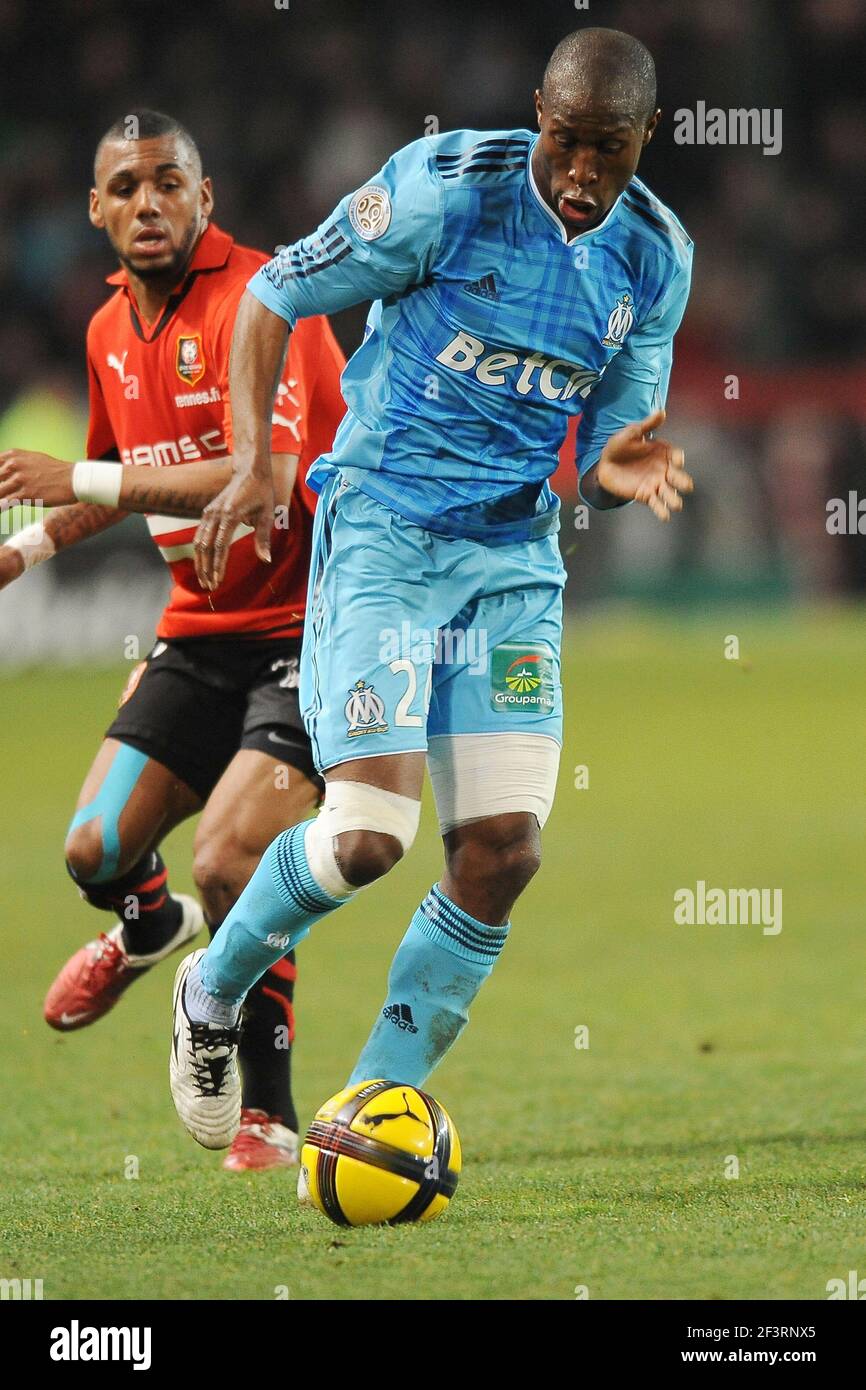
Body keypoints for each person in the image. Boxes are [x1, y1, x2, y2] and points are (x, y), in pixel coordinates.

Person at [167, 26, 695, 1164]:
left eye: (610, 148)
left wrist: (611, 471)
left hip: (509, 560)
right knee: (367, 834)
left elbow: (609, 437)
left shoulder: (654, 256)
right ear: (536, 115)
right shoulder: (444, 191)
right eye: (566, 140)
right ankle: (210, 992)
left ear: (645, 137)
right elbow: (271, 293)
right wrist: (257, 459)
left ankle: (368, 1108)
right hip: (385, 537)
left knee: (502, 851)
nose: (583, 170)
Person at [0, 109, 345, 1171]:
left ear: (205, 198)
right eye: (125, 188)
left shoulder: (267, 295)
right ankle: (150, 931)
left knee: (233, 856)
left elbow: (266, 475)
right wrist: (24, 551)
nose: (148, 204)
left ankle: (267, 1108)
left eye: (169, 183)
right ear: (96, 211)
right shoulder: (110, 331)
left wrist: (83, 478)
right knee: (94, 851)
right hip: (198, 631)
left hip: (315, 627)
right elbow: (116, 478)